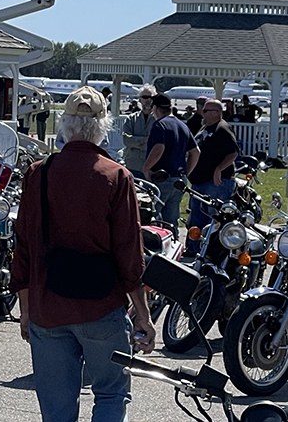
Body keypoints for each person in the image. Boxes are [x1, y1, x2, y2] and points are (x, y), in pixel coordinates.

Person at [10, 87, 153, 422]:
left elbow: (23, 248)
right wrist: (143, 315)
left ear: (65, 124)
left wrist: (25, 309)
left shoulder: (38, 173)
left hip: (48, 305)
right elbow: (129, 254)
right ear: (103, 125)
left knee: (57, 409)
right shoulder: (116, 176)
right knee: (111, 393)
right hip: (101, 306)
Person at [184, 100, 238, 255]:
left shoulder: (222, 128)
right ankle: (194, 248)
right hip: (200, 182)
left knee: (212, 219)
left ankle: (209, 251)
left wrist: (219, 169)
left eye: (205, 110)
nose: (202, 112)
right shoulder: (206, 127)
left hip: (215, 184)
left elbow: (233, 152)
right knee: (197, 217)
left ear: (215, 112)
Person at [143, 94, 196, 229]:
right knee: (172, 221)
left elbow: (159, 148)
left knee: (150, 217)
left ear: (155, 108)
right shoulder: (182, 126)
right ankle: (173, 244)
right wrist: (185, 172)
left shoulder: (160, 125)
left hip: (162, 179)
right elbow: (196, 152)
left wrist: (147, 168)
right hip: (179, 180)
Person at [120, 86, 158, 178]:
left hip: (151, 168)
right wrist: (145, 140)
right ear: (140, 99)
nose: (148, 100)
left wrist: (135, 141)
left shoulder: (158, 120)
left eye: (151, 97)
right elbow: (126, 141)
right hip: (132, 166)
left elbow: (156, 144)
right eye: (145, 97)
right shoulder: (131, 119)